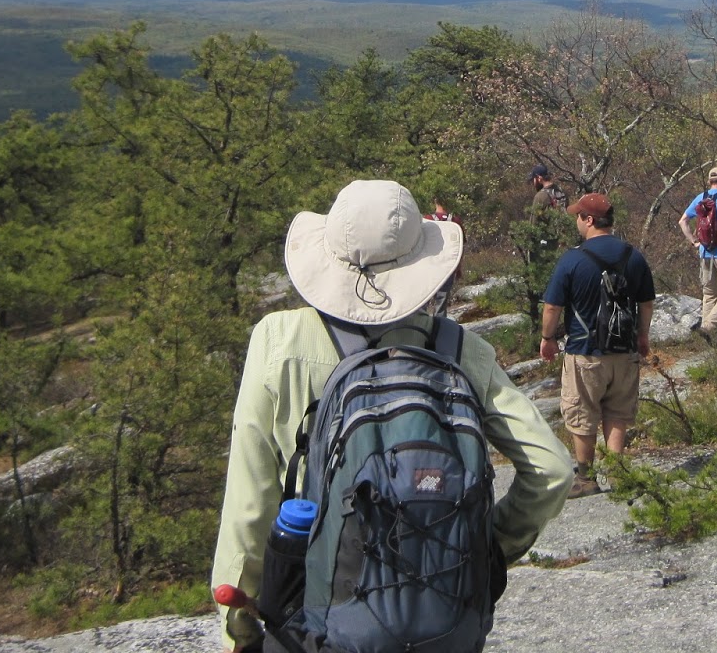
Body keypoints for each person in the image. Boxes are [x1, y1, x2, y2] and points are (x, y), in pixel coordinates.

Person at [213, 179, 573, 651]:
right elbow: (552, 469)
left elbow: (250, 495)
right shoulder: (461, 350)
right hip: (441, 613)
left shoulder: (278, 341)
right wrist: (484, 554)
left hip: (313, 612)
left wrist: (238, 626)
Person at [539, 192, 655, 498]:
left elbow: (552, 307)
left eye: (579, 216)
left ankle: (586, 477)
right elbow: (646, 302)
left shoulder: (573, 259)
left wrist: (548, 339)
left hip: (584, 352)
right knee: (617, 412)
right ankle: (618, 473)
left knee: (582, 412)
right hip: (624, 350)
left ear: (589, 221)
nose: (577, 220)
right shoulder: (633, 256)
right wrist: (642, 337)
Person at [678, 166, 717, 346]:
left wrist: (694, 242)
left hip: (705, 251)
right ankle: (707, 327)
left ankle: (707, 342)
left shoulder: (701, 198)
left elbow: (682, 221)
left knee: (709, 294)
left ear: (709, 181)